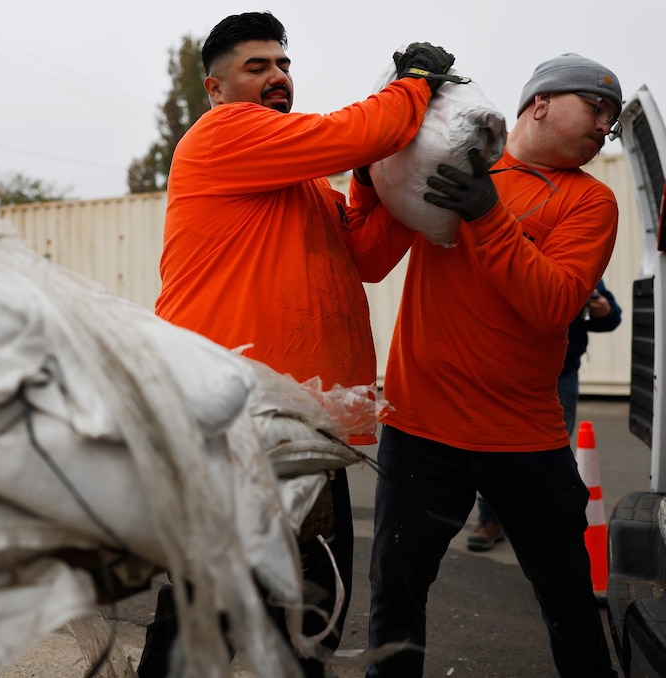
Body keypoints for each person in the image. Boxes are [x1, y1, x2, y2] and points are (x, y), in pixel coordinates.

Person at [137, 10, 459, 677]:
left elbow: (364, 257)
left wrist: (374, 184)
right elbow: (355, 130)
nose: (279, 77)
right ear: (216, 87)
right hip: (233, 420)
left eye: (284, 64)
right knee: (209, 604)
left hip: (302, 426)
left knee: (308, 609)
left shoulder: (305, 179)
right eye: (258, 66)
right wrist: (416, 84)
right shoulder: (223, 133)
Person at [365, 53, 623, 677]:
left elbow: (553, 304)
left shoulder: (591, 203)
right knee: (395, 605)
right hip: (421, 429)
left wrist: (487, 215)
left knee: (569, 604)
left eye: (612, 121)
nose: (603, 127)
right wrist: (374, 165)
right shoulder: (456, 161)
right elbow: (369, 257)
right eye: (596, 108)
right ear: (541, 103)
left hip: (523, 437)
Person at [468, 279, 623, 552]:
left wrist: (604, 309)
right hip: (504, 372)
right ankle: (491, 519)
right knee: (494, 448)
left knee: (549, 455)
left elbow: (610, 316)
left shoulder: (570, 256)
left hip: (560, 375)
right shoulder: (505, 253)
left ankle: (542, 528)